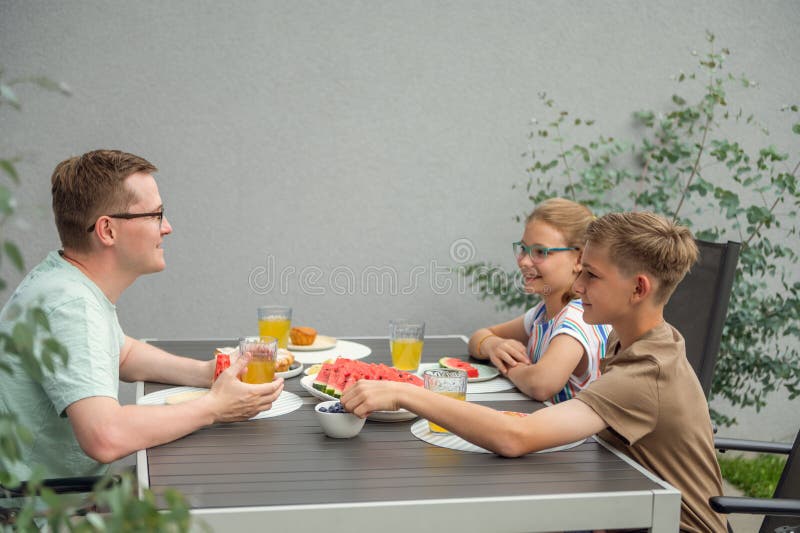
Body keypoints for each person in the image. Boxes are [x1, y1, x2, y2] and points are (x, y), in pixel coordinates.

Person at [342, 211, 726, 532]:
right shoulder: (632, 338)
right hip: (625, 512)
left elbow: (515, 438)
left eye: (591, 275)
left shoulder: (646, 371)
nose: (578, 285)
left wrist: (405, 393)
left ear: (638, 289)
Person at [0, 149, 284, 482]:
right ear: (108, 230)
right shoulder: (71, 306)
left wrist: (206, 372)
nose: (168, 228)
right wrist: (214, 407)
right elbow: (105, 436)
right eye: (156, 215)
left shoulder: (63, 281)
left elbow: (122, 353)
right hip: (51, 506)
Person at [468, 198, 610, 403]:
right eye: (523, 249)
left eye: (540, 252)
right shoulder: (542, 313)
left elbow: (540, 384)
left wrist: (509, 366)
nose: (524, 261)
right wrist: (493, 345)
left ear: (579, 259)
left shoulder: (579, 317)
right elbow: (480, 335)